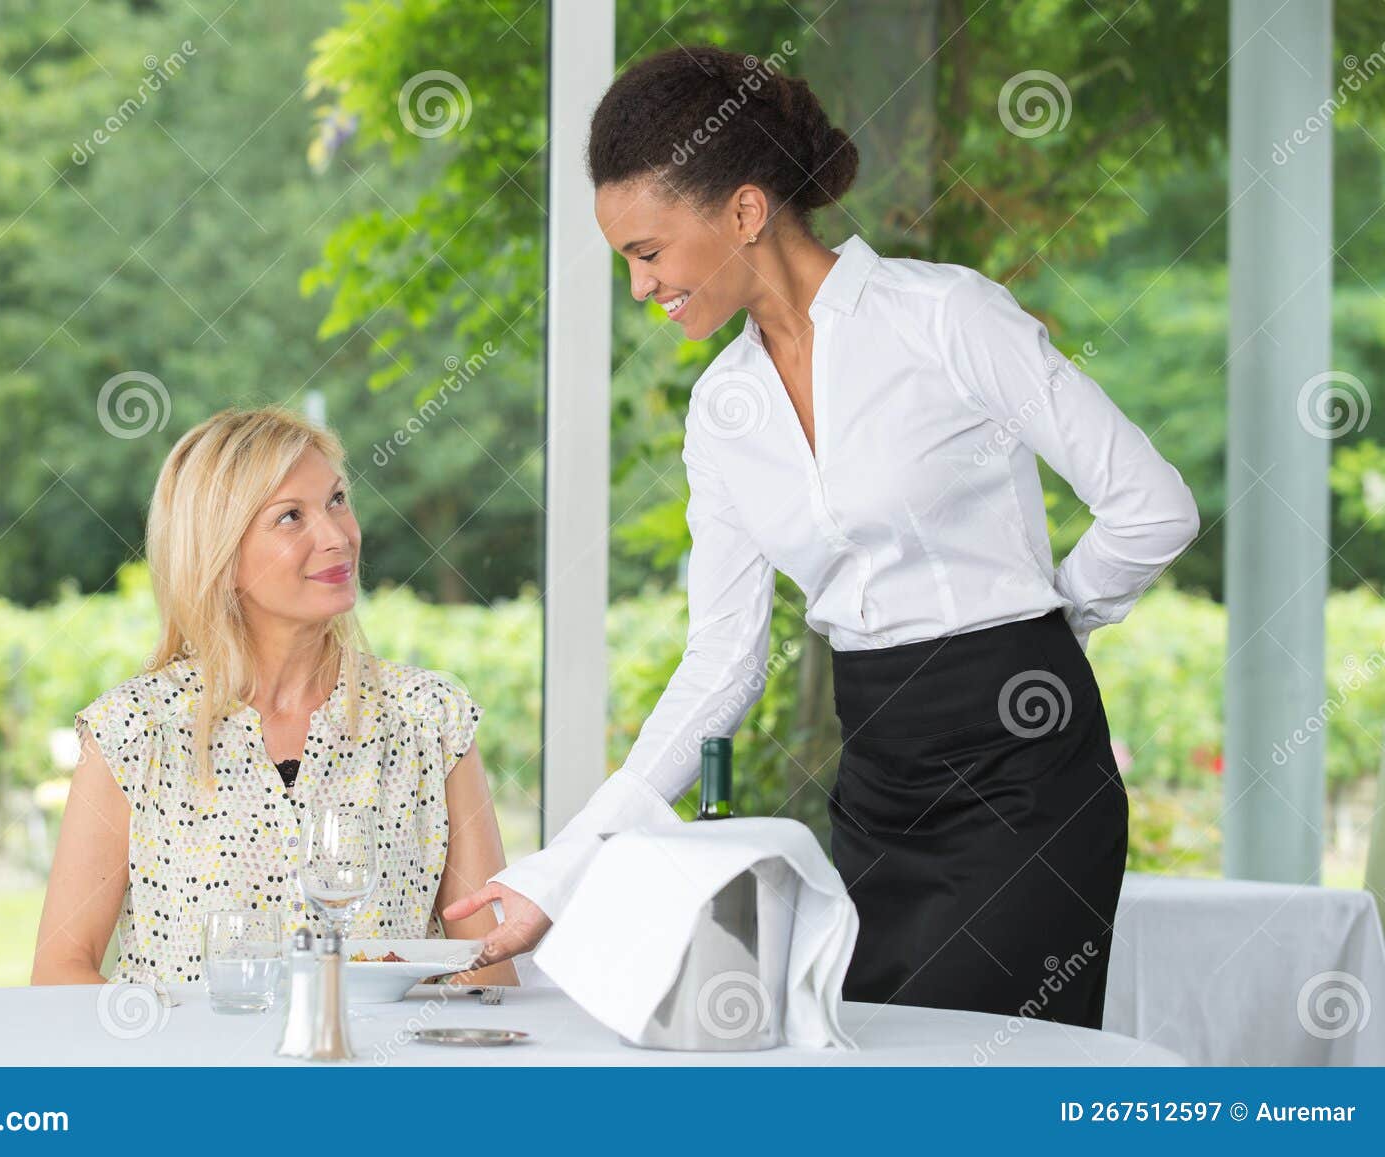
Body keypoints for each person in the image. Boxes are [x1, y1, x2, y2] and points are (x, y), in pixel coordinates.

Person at [446, 45, 1198, 1027]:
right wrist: (565, 863)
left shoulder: (944, 319)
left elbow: (1153, 505)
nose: (641, 287)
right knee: (876, 1073)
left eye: (648, 251)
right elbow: (722, 663)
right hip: (877, 780)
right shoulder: (720, 410)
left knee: (976, 1080)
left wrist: (1046, 626)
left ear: (745, 212)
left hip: (1026, 769)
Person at [32, 406, 517, 990]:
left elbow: (486, 973)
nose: (338, 537)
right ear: (220, 554)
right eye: (291, 517)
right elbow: (61, 972)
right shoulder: (131, 732)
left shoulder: (430, 721)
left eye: (337, 500)